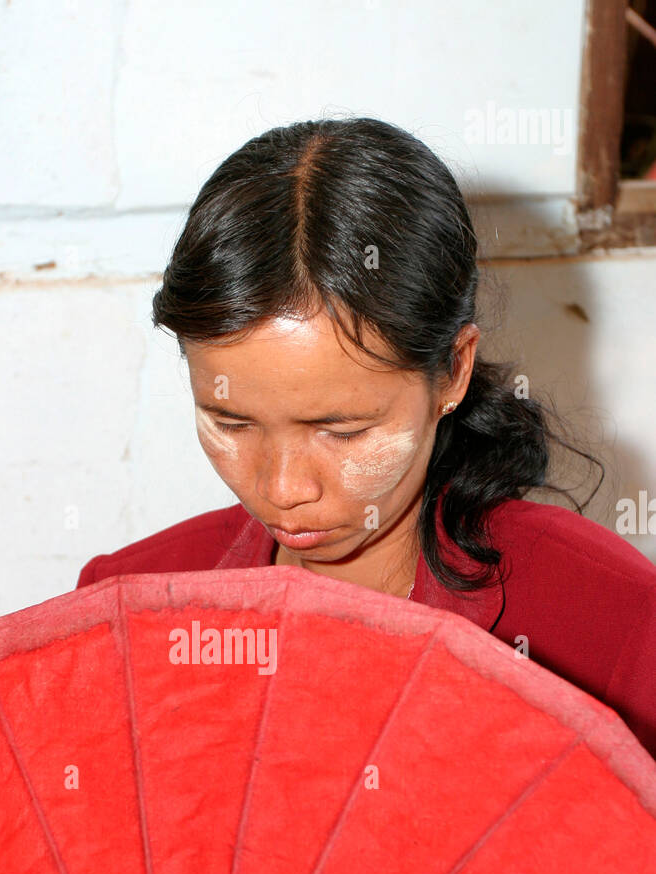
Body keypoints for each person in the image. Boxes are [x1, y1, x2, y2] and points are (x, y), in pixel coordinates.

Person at [77, 117, 656, 761]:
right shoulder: (129, 604)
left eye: (342, 430)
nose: (283, 489)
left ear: (453, 371)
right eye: (231, 424)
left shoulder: (608, 622)